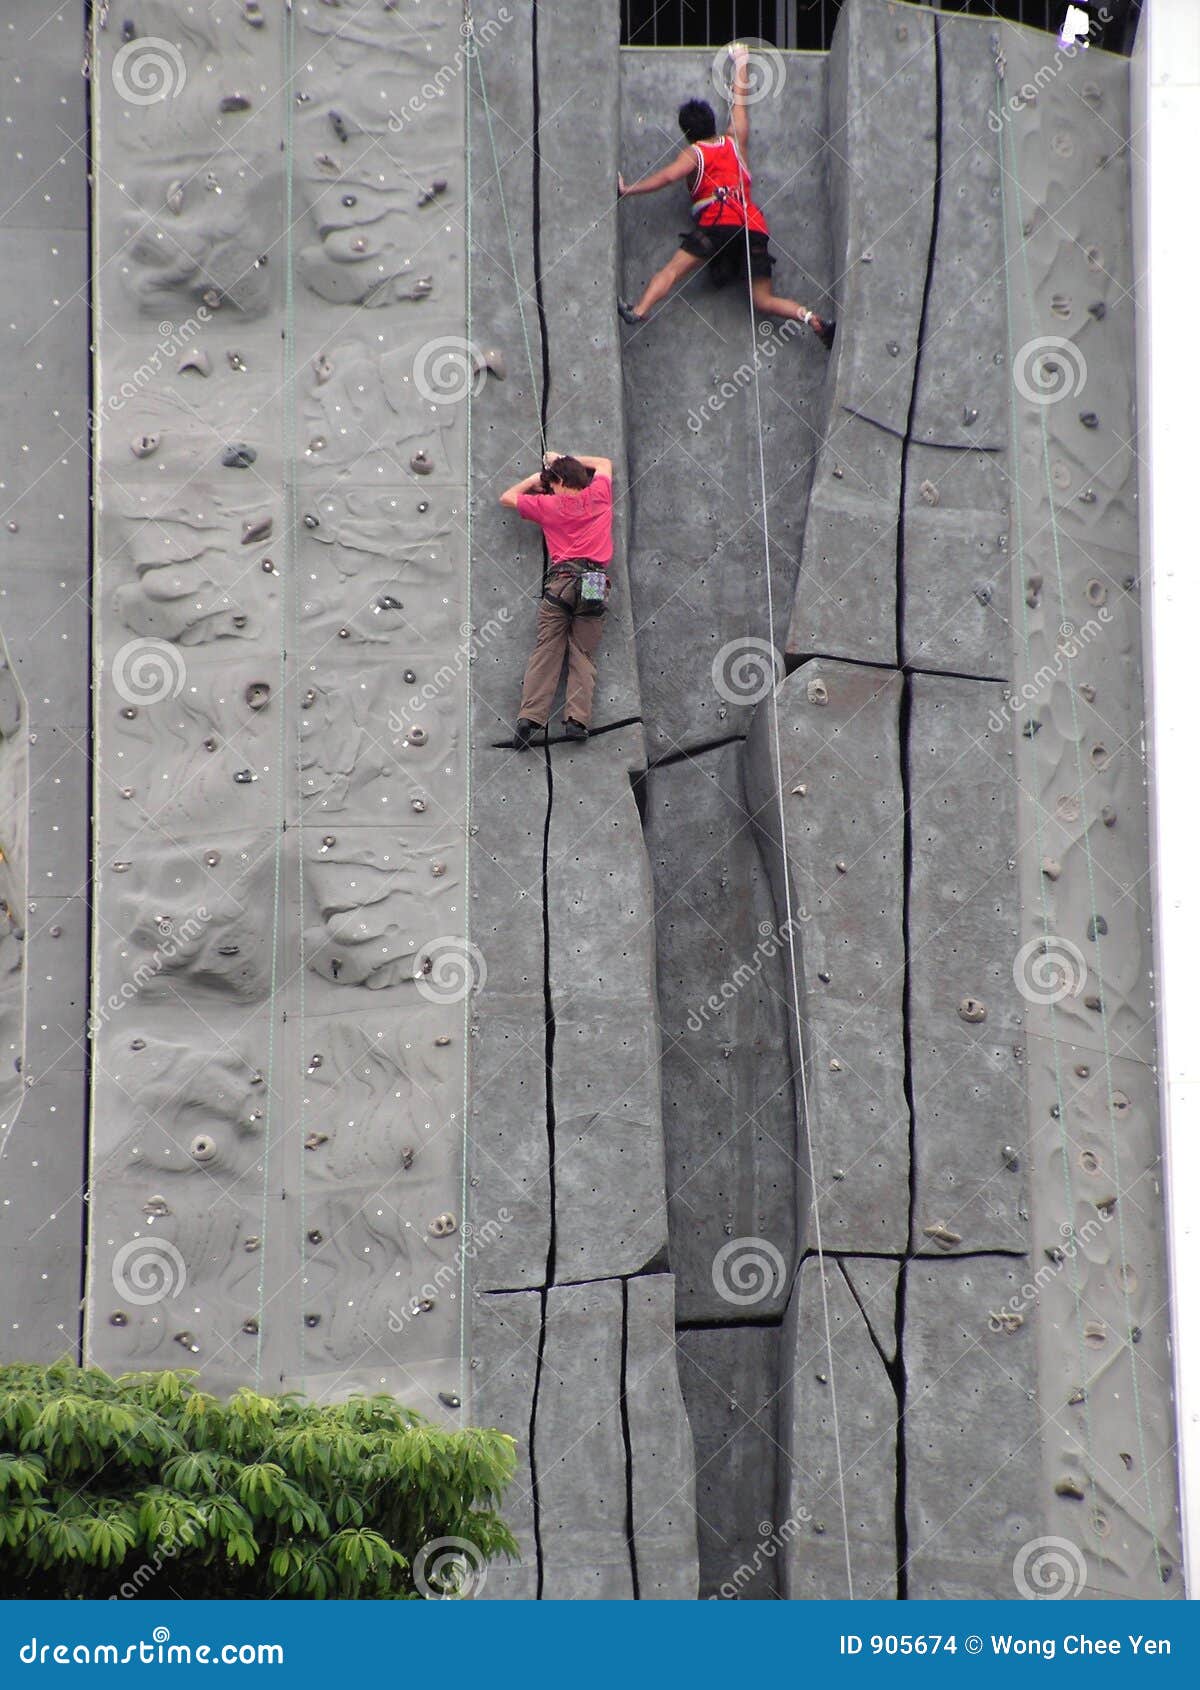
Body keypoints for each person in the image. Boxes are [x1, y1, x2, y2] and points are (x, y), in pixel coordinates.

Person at [617, 43, 834, 348]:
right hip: (752, 228)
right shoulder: (735, 142)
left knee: (672, 271)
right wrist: (741, 61)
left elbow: (667, 176)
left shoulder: (695, 153)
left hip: (717, 225)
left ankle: (638, 310)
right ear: (712, 123)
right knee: (763, 299)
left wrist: (628, 190)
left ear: (686, 133)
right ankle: (811, 317)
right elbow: (739, 102)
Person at [501, 450, 614, 749]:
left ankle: (529, 720)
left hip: (563, 579)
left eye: (553, 485)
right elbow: (604, 463)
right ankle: (577, 721)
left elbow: (507, 498)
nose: (551, 490)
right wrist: (563, 456)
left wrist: (534, 479)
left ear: (561, 481)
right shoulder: (600, 495)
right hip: (594, 581)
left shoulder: (549, 506)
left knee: (547, 649)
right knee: (583, 651)